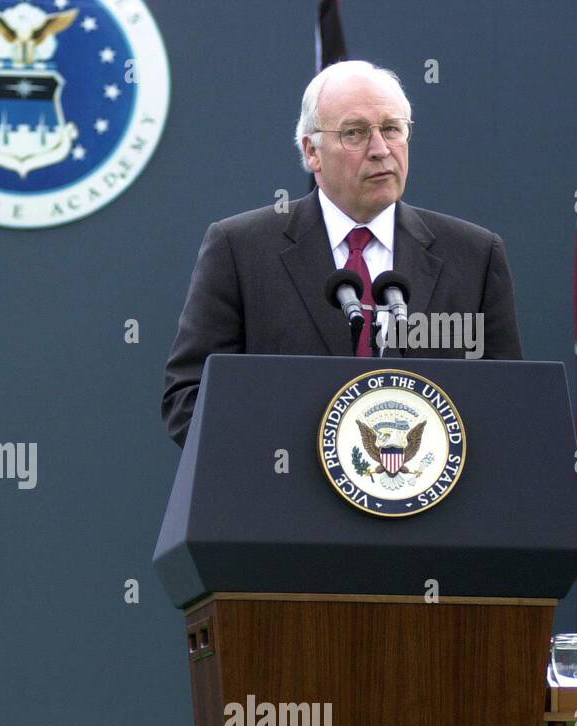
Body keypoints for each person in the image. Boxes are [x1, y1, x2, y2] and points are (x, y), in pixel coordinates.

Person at [161, 59, 523, 447]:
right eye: (355, 133)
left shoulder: (473, 255)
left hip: (429, 500)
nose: (381, 150)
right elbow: (188, 399)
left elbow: (508, 403)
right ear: (312, 152)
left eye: (392, 129)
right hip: (286, 500)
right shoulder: (240, 249)